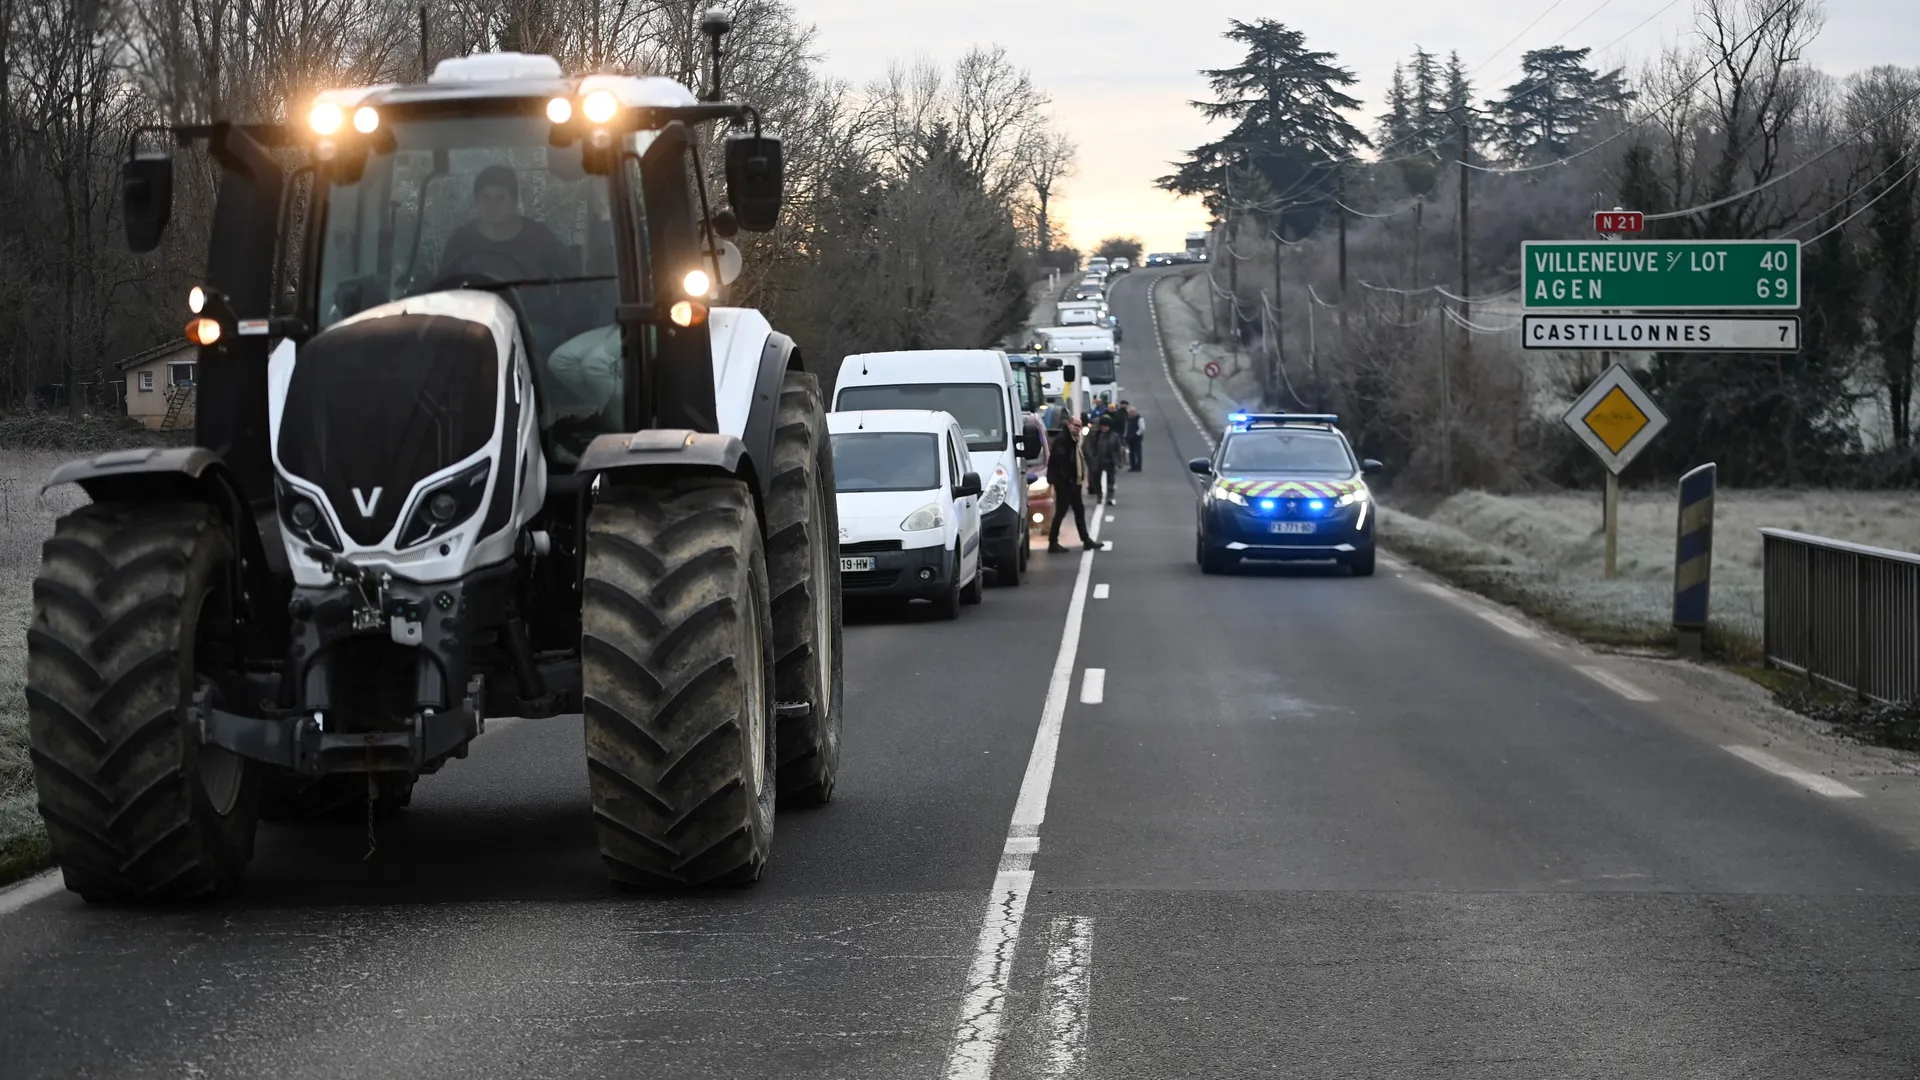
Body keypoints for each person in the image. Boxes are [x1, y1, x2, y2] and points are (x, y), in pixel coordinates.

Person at [437, 165, 575, 284]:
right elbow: (444, 289)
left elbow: (573, 280)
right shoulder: (461, 241)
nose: (491, 205)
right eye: (485, 197)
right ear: (476, 202)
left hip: (531, 314)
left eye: (500, 198)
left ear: (514, 202)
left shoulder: (540, 238)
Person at [1046, 416, 1098, 552]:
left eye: (1079, 426)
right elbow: (1061, 463)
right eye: (1075, 425)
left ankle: (1085, 540)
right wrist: (1068, 481)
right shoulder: (1063, 440)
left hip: (1073, 483)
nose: (1078, 428)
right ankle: (1052, 542)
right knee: (1061, 512)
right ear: (1069, 425)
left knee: (1079, 511)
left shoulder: (1072, 439)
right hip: (1065, 484)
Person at [1086, 413, 1124, 505]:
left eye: (1106, 426)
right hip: (1098, 460)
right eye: (1103, 426)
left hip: (1110, 460)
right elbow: (1090, 447)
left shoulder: (1114, 437)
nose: (1104, 428)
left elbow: (1118, 449)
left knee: (1110, 480)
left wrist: (1119, 461)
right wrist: (1092, 457)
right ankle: (1099, 496)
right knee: (1096, 479)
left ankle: (1109, 497)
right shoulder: (1096, 436)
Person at [1120, 399, 1144, 471]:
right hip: (1130, 438)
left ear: (1135, 412)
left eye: (1133, 412)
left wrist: (1137, 434)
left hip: (1137, 438)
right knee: (1131, 453)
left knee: (1138, 452)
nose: (1132, 413)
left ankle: (1138, 466)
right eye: (1131, 412)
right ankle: (1132, 466)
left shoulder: (1139, 418)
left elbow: (1142, 428)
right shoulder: (1128, 419)